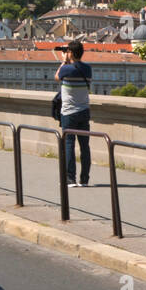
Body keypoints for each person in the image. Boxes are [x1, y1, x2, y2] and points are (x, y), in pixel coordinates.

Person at [56, 40, 93, 187]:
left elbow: (57, 76)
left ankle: (70, 179)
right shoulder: (88, 69)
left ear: (70, 53)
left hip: (69, 112)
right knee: (85, 146)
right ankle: (84, 179)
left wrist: (64, 61)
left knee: (69, 145)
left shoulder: (67, 69)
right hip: (84, 111)